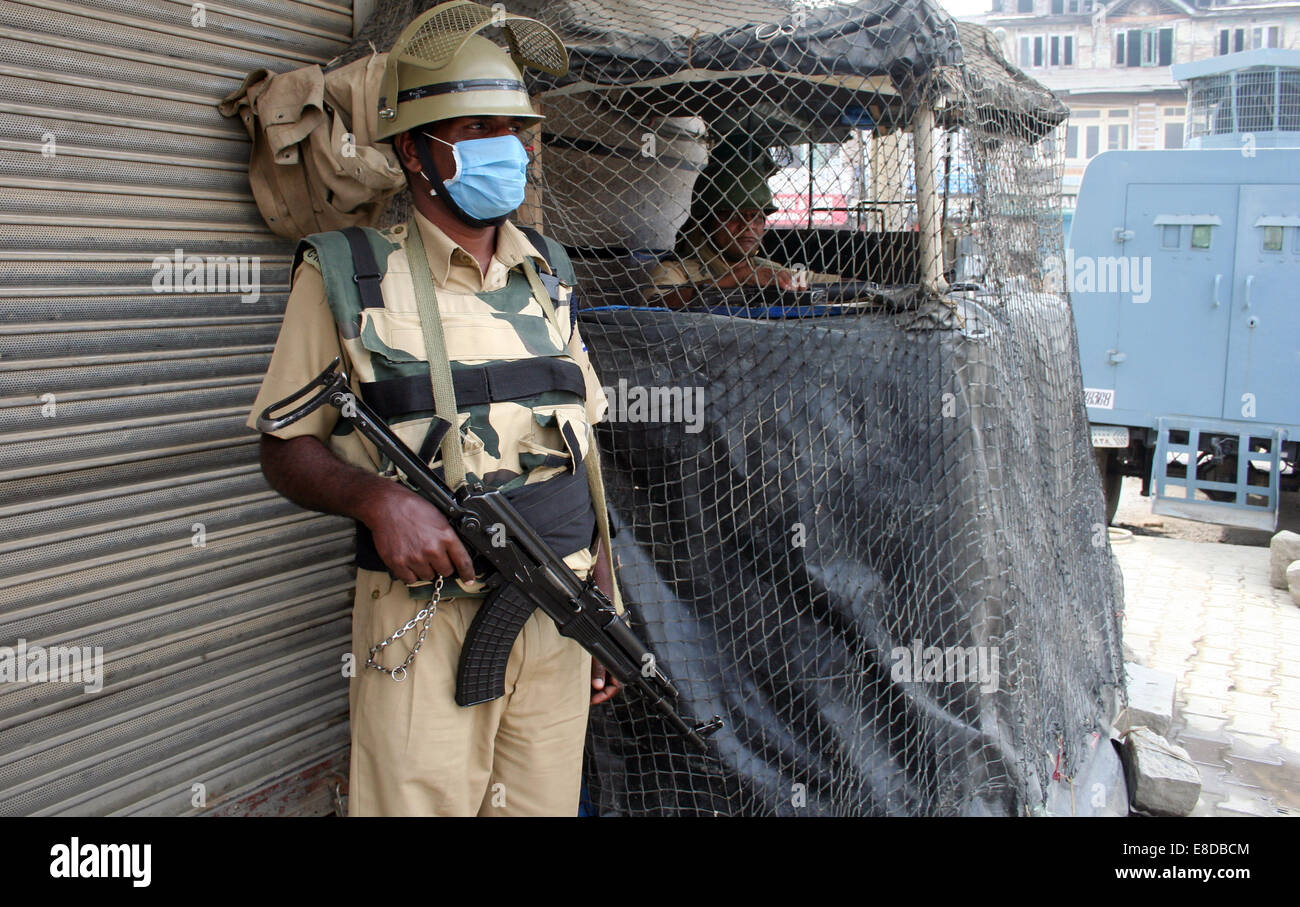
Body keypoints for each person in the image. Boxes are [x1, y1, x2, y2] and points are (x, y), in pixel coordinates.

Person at [245, 2, 619, 816]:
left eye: (513, 129)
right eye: (476, 126)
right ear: (415, 149)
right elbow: (284, 444)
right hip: (425, 620)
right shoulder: (351, 272)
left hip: (558, 615)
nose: (507, 148)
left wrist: (604, 615)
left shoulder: (550, 276)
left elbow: (581, 456)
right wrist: (376, 499)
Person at [644, 144, 840, 308]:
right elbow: (655, 305)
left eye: (756, 218)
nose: (748, 227)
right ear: (707, 224)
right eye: (734, 217)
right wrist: (740, 277)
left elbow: (827, 282)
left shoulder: (767, 269)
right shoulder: (675, 270)